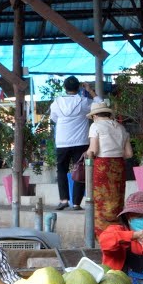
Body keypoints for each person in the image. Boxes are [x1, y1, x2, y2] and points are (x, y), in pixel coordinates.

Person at [85, 101, 133, 234]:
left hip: (102, 166)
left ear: (94, 116)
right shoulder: (121, 128)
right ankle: (118, 232)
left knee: (101, 202)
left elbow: (94, 150)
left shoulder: (95, 126)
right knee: (116, 200)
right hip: (118, 166)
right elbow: (129, 154)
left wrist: (88, 154)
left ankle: (102, 234)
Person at [49, 76, 91, 210]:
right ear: (79, 87)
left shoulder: (56, 102)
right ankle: (77, 203)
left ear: (64, 88)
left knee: (61, 170)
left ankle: (63, 200)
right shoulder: (84, 102)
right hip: (81, 141)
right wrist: (90, 90)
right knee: (80, 170)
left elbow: (54, 118)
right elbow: (100, 104)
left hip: (62, 141)